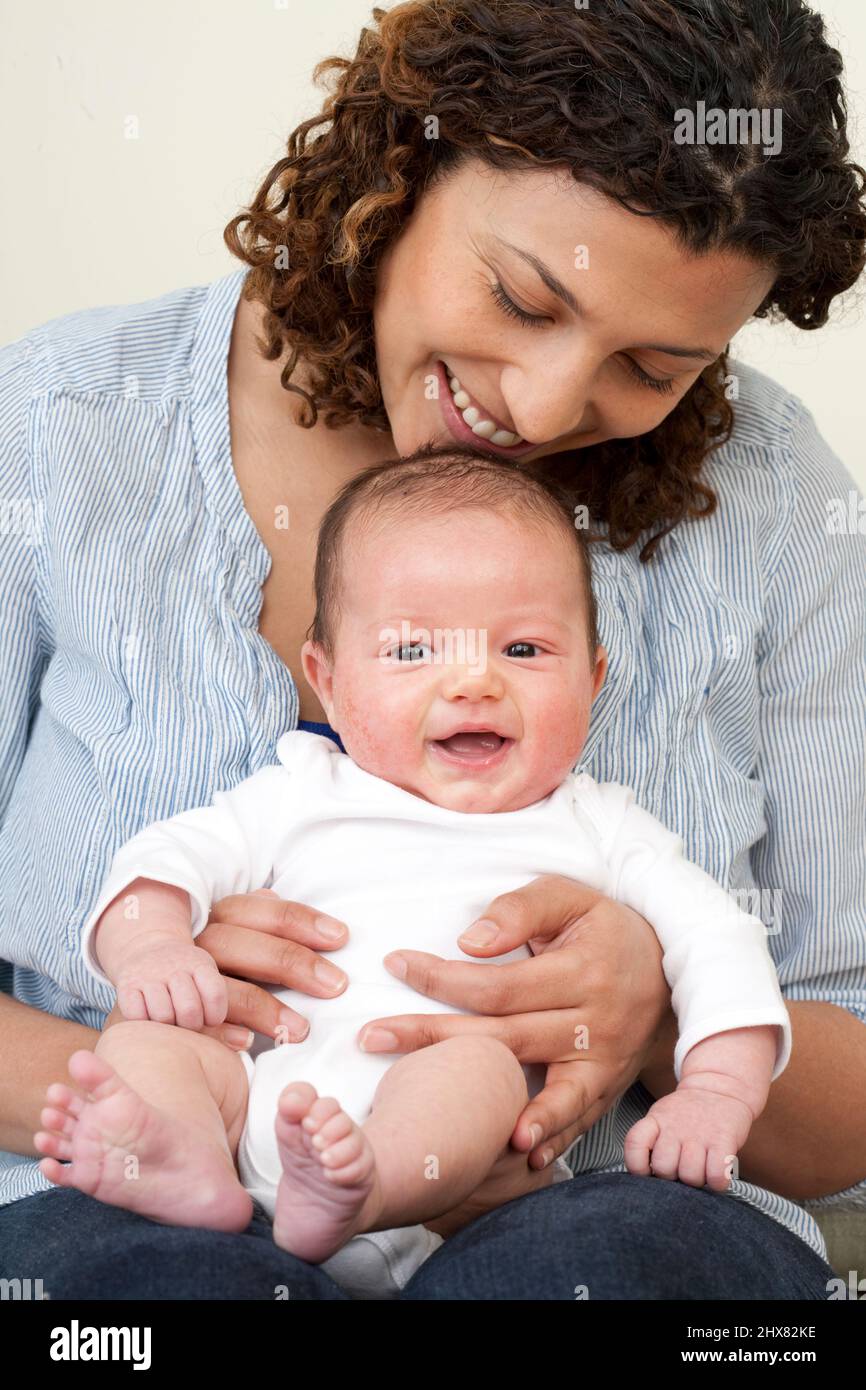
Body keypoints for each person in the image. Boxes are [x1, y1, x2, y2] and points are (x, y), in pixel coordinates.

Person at [1, 0, 863, 1300]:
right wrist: (169, 1062)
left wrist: (657, 1019)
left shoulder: (776, 498)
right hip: (135, 1218)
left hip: (609, 1229)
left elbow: (845, 1099)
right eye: (521, 296)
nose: (542, 404)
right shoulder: (60, 433)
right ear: (399, 170)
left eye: (653, 364)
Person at [35, 453, 790, 1299]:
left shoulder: (601, 826)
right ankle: (184, 1163)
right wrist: (151, 954)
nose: (474, 680)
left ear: (594, 678)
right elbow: (162, 862)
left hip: (451, 1181)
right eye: (413, 649)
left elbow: (720, 941)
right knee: (147, 1041)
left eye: (525, 647)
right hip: (254, 1111)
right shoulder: (301, 792)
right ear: (327, 678)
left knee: (475, 1068)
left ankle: (367, 1189)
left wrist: (717, 1093)